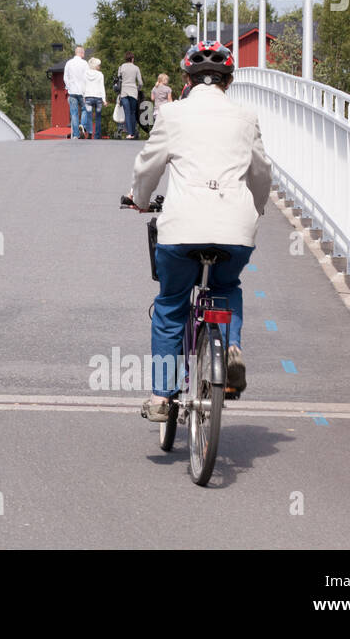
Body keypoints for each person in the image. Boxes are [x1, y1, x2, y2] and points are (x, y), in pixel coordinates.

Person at [123, 40, 272, 423]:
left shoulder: (172, 114)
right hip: (234, 228)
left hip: (183, 229)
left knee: (172, 305)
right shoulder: (246, 116)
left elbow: (148, 166)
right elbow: (260, 175)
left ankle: (162, 395)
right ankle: (232, 349)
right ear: (229, 80)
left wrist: (139, 198)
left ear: (188, 79)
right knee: (225, 288)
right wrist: (253, 210)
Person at [62, 46, 89, 140]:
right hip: (82, 92)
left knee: (74, 113)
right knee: (85, 109)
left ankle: (76, 135)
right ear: (81, 53)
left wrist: (69, 87)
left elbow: (65, 77)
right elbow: (87, 78)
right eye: (84, 53)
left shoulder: (69, 63)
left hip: (72, 91)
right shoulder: (85, 64)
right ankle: (82, 125)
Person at [117, 52, 143, 139]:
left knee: (127, 113)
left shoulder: (121, 67)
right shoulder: (136, 68)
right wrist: (138, 89)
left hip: (124, 92)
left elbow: (118, 80)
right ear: (132, 59)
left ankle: (129, 133)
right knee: (132, 112)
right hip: (133, 92)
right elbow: (140, 82)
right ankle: (133, 132)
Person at [82, 57, 107, 138]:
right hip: (98, 98)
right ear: (95, 66)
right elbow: (102, 87)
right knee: (98, 117)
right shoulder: (100, 75)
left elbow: (83, 86)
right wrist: (104, 99)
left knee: (89, 116)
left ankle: (89, 132)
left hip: (88, 97)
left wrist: (83, 96)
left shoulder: (85, 74)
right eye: (98, 65)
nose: (99, 67)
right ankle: (97, 135)